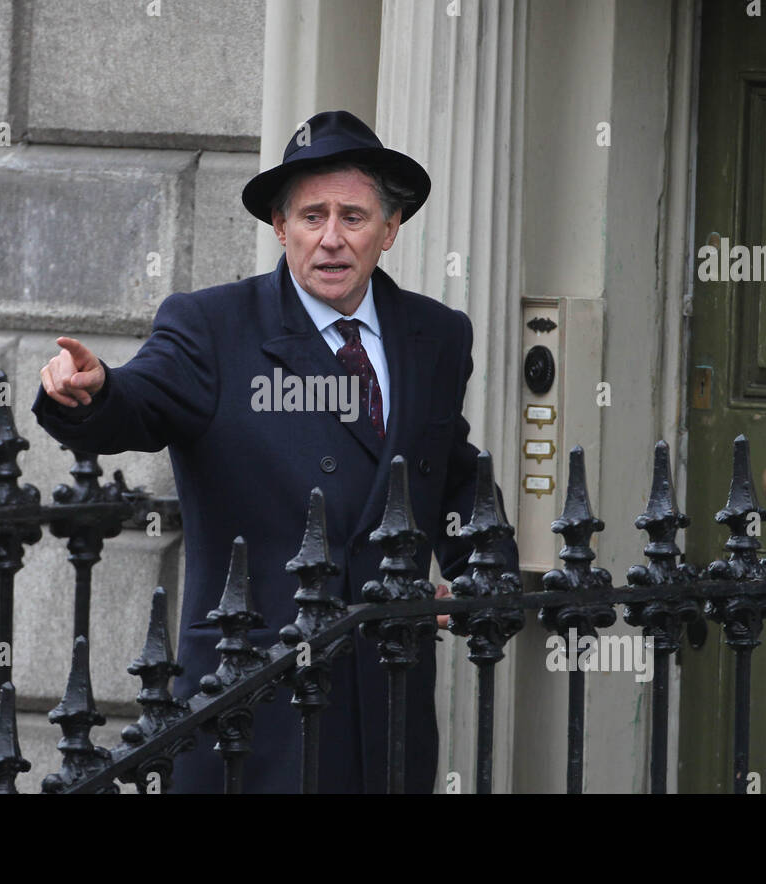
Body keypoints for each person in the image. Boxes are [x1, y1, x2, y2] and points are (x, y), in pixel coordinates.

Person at [32, 109, 519, 793]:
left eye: (352, 217)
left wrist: (481, 574)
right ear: (280, 227)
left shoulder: (436, 335)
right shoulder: (211, 325)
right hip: (254, 699)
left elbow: (447, 466)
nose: (330, 239)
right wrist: (92, 392)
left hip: (385, 695)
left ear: (390, 228)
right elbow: (144, 400)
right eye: (311, 216)